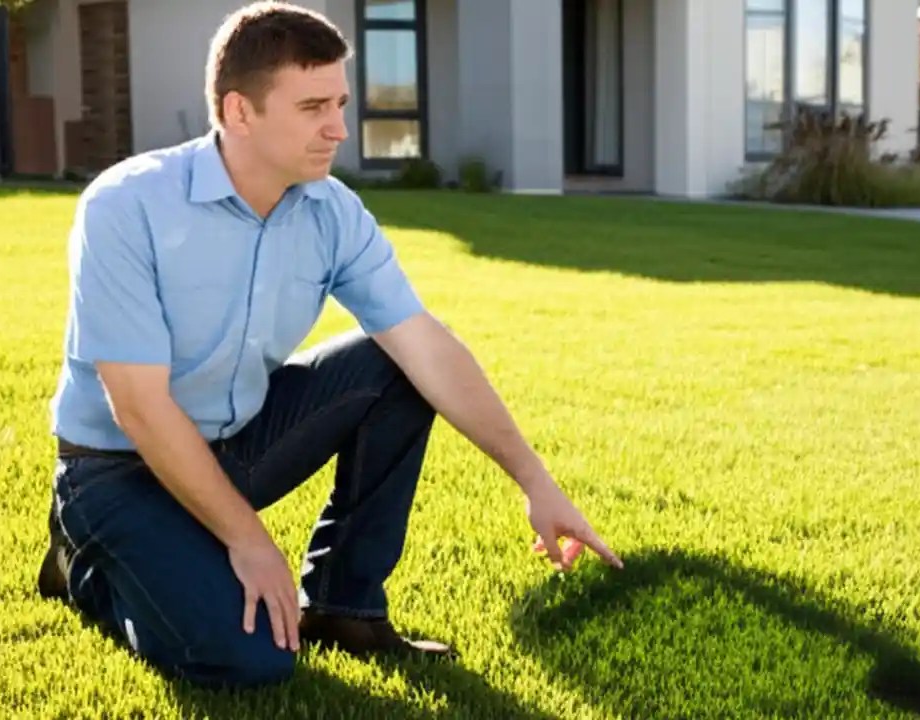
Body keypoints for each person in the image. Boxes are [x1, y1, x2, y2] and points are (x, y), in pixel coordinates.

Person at [36, 0, 621, 689]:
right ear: (239, 112)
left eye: (341, 103)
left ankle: (345, 608)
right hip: (117, 467)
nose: (339, 128)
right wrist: (249, 542)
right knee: (248, 661)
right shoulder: (126, 207)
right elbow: (137, 406)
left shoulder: (332, 210)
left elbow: (425, 344)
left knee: (398, 364)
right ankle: (88, 566)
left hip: (239, 442)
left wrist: (535, 480)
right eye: (314, 106)